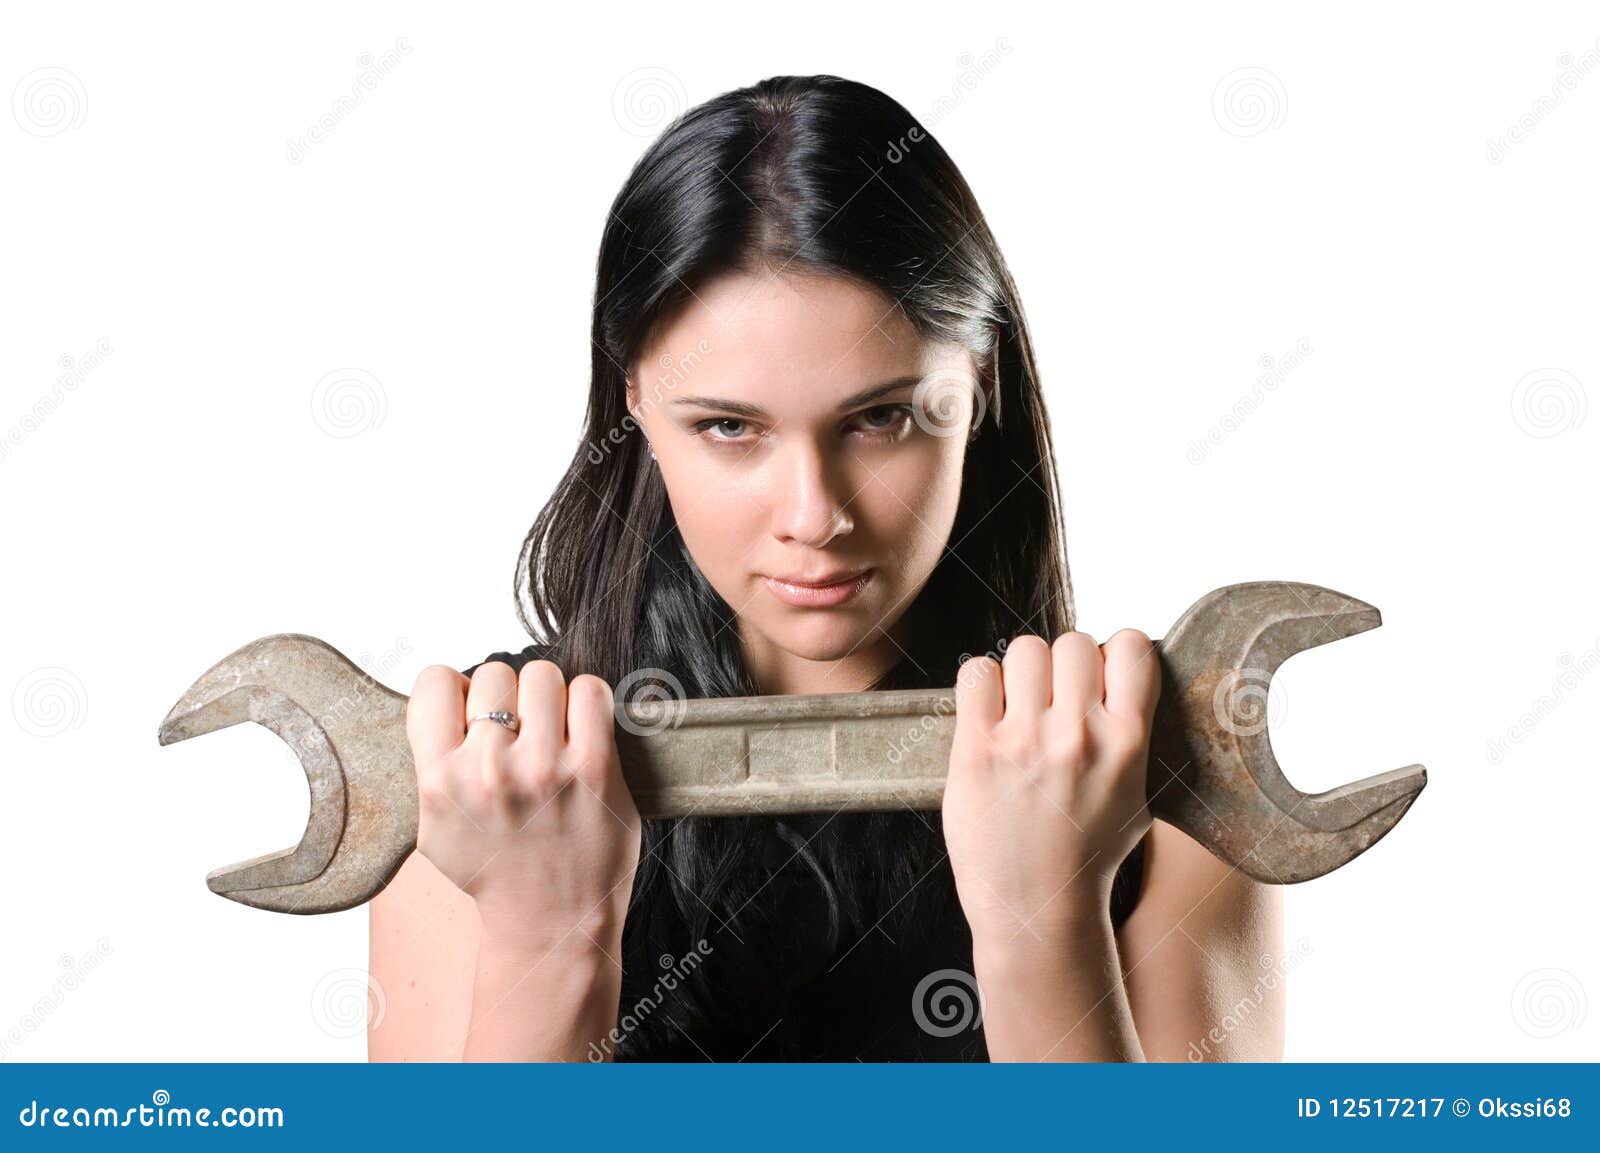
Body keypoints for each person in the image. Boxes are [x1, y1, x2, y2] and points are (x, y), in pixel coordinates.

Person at [368, 74, 1284, 1062]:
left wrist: (1044, 925)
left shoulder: (1178, 782)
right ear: (633, 397)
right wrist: (544, 944)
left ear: (978, 383)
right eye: (728, 427)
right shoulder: (472, 781)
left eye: (881, 418)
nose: (815, 516)